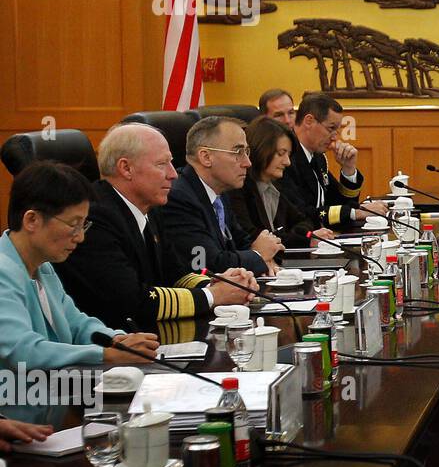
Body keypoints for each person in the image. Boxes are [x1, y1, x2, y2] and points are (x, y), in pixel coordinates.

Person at [55, 123, 257, 338]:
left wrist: (221, 283)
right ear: (126, 168)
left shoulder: (150, 208)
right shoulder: (96, 217)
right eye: (162, 164)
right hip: (115, 348)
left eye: (171, 163)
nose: (173, 174)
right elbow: (132, 301)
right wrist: (212, 296)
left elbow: (175, 273)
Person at [0, 162, 158, 422]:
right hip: (15, 429)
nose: (80, 237)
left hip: (51, 420)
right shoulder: (4, 271)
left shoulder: (44, 267)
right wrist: (104, 353)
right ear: (32, 220)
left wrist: (118, 339)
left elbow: (78, 324)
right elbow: (23, 350)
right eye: (73, 225)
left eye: (83, 225)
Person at [159, 116, 281, 280]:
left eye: (247, 152)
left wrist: (265, 258)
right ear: (206, 157)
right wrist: (258, 256)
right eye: (238, 152)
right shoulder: (179, 198)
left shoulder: (219, 192)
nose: (247, 162)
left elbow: (242, 242)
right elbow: (205, 265)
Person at [226, 116, 334, 250]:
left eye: (288, 155)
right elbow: (252, 238)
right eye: (281, 153)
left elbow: (304, 221)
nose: (287, 162)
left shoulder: (276, 184)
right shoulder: (237, 188)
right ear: (261, 149)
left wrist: (297, 236)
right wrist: (300, 239)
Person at [281, 93, 386, 228]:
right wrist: (355, 213)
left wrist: (348, 169)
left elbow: (337, 203)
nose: (335, 137)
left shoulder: (317, 157)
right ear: (309, 121)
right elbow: (300, 213)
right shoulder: (286, 158)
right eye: (331, 128)